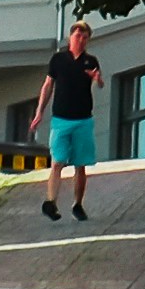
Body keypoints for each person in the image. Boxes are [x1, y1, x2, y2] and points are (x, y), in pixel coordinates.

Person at [33, 19, 104, 221]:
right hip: (60, 119)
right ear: (70, 37)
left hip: (82, 119)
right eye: (77, 35)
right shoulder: (58, 60)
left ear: (88, 39)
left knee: (80, 164)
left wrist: (96, 79)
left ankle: (77, 204)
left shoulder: (91, 61)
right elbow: (48, 86)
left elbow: (100, 83)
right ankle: (51, 202)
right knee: (57, 161)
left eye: (84, 36)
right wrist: (39, 112)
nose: (80, 39)